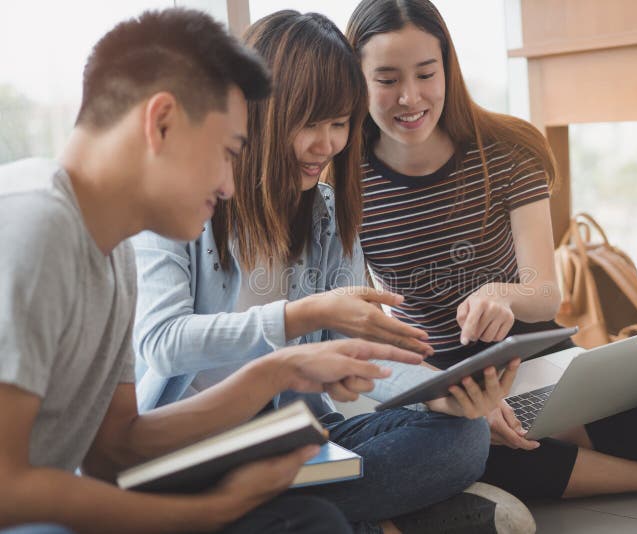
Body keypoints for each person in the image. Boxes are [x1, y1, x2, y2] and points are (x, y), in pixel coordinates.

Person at [345, 0, 637, 504]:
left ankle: (522, 458)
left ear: (448, 68)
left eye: (426, 73)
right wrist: (448, 399)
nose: (410, 97)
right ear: (356, 81)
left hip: (541, 369)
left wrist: (504, 294)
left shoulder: (508, 150)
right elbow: (361, 328)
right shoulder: (344, 185)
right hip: (444, 390)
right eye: (386, 80)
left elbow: (545, 297)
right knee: (455, 442)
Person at [0, 9, 428, 534]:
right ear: (162, 124)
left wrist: (275, 374)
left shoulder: (111, 257)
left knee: (314, 521)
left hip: (113, 489)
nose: (229, 184)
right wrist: (212, 511)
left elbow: (115, 453)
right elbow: (9, 488)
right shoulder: (33, 223)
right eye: (228, 152)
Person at [131, 10, 532, 534]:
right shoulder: (175, 202)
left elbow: (356, 346)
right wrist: (298, 315)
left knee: (463, 438)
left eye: (340, 123)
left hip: (298, 436)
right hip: (196, 447)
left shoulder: (326, 214)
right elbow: (161, 342)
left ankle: (287, 519)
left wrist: (442, 392)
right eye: (309, 124)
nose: (327, 145)